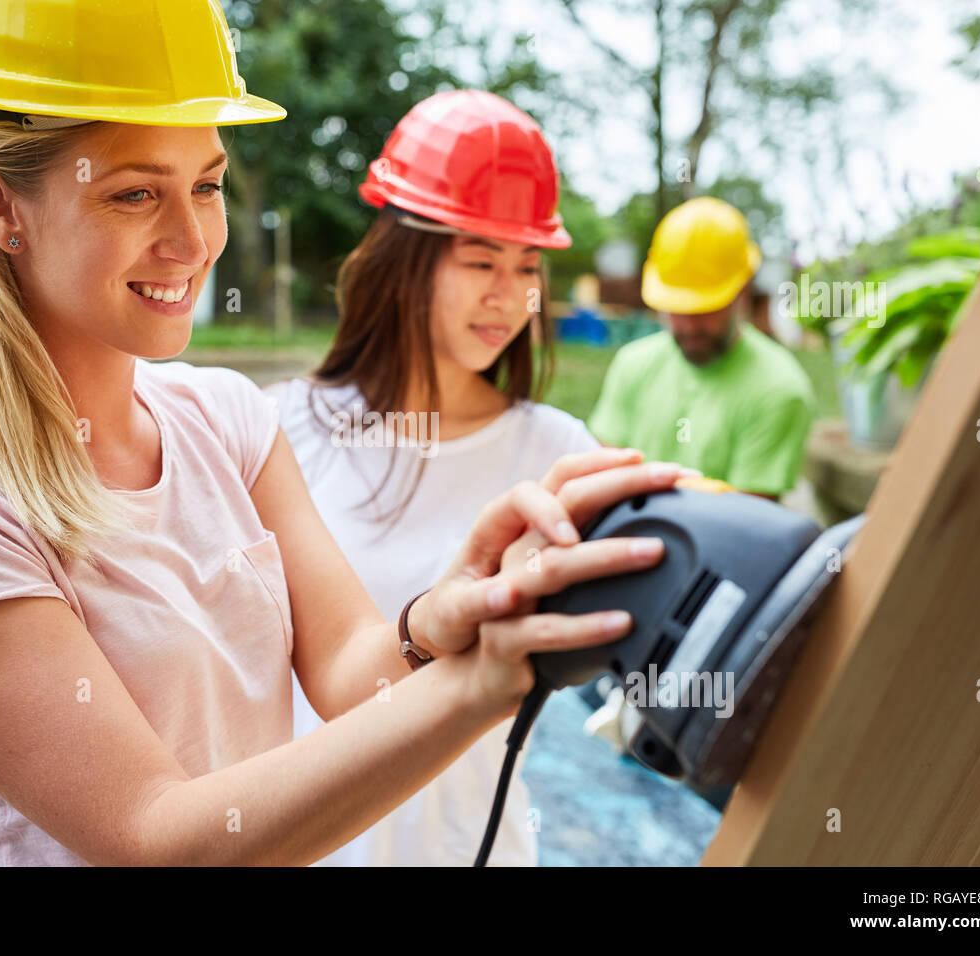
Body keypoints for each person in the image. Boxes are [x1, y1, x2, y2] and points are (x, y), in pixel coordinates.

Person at [0, 0, 690, 866]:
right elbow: (159, 839)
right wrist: (482, 680)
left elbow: (353, 673)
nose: (194, 240)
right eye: (135, 194)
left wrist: (442, 614)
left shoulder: (226, 420)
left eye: (206, 183)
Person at [267, 90, 691, 866]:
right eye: (480, 260)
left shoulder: (554, 452)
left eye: (527, 264)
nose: (510, 293)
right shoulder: (282, 430)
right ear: (404, 259)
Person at [586, 197, 816, 502]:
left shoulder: (779, 389)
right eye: (676, 308)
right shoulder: (632, 364)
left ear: (742, 292)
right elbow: (599, 479)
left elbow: (748, 526)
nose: (688, 325)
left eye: (705, 308)